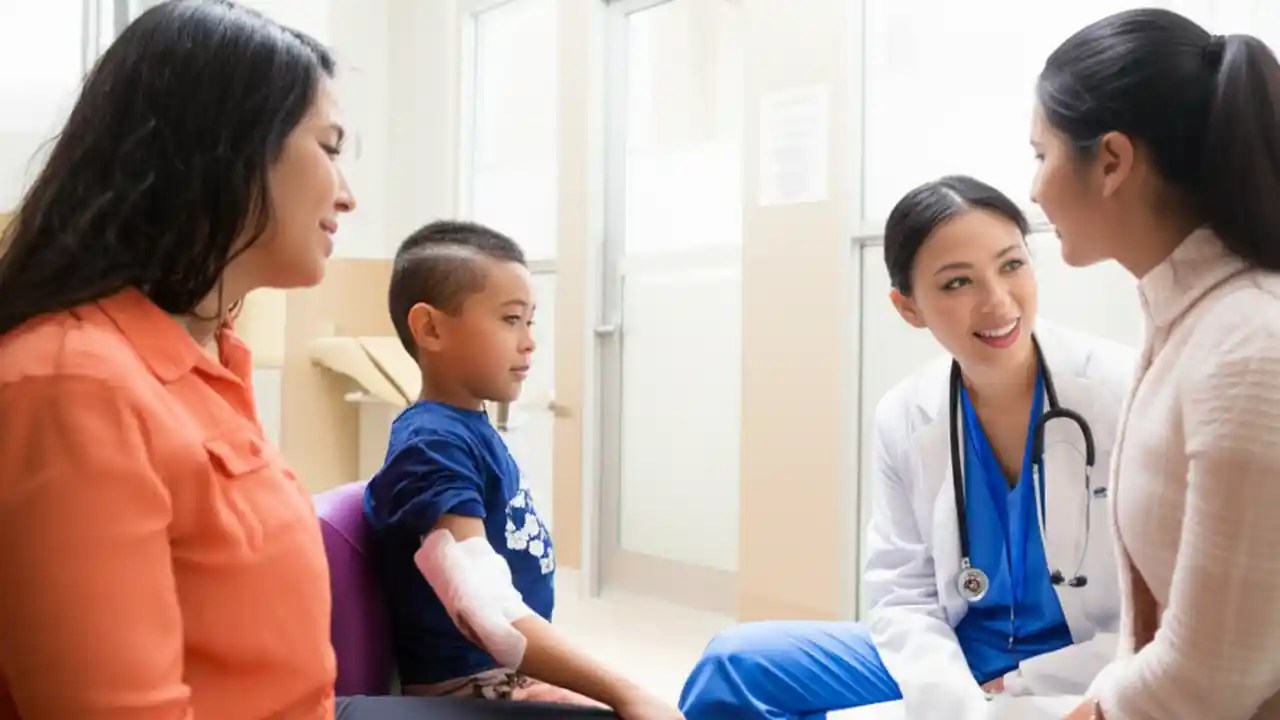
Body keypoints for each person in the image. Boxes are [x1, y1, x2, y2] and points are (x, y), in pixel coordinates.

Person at [0, 2, 615, 719]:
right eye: (329, 149)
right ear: (226, 148)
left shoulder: (211, 361)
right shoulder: (72, 386)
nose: (347, 196)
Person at [678, 176, 1136, 720]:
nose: (997, 301)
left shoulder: (1122, 389)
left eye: (1012, 264)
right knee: (735, 665)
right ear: (908, 307)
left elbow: (1174, 609)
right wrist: (953, 700)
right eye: (957, 282)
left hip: (1089, 659)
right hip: (957, 653)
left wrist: (1027, 682)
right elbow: (903, 593)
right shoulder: (905, 413)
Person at [1029, 9, 1280, 720]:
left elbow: (1212, 678)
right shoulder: (1188, 320)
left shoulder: (1248, 345)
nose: (1034, 189)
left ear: (1112, 160)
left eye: (1041, 154)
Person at [363, 221, 682, 720]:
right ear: (431, 329)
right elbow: (484, 610)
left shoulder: (465, 428)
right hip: (473, 690)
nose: (529, 341)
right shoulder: (432, 444)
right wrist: (625, 693)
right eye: (511, 319)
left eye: (531, 321)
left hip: (507, 677)